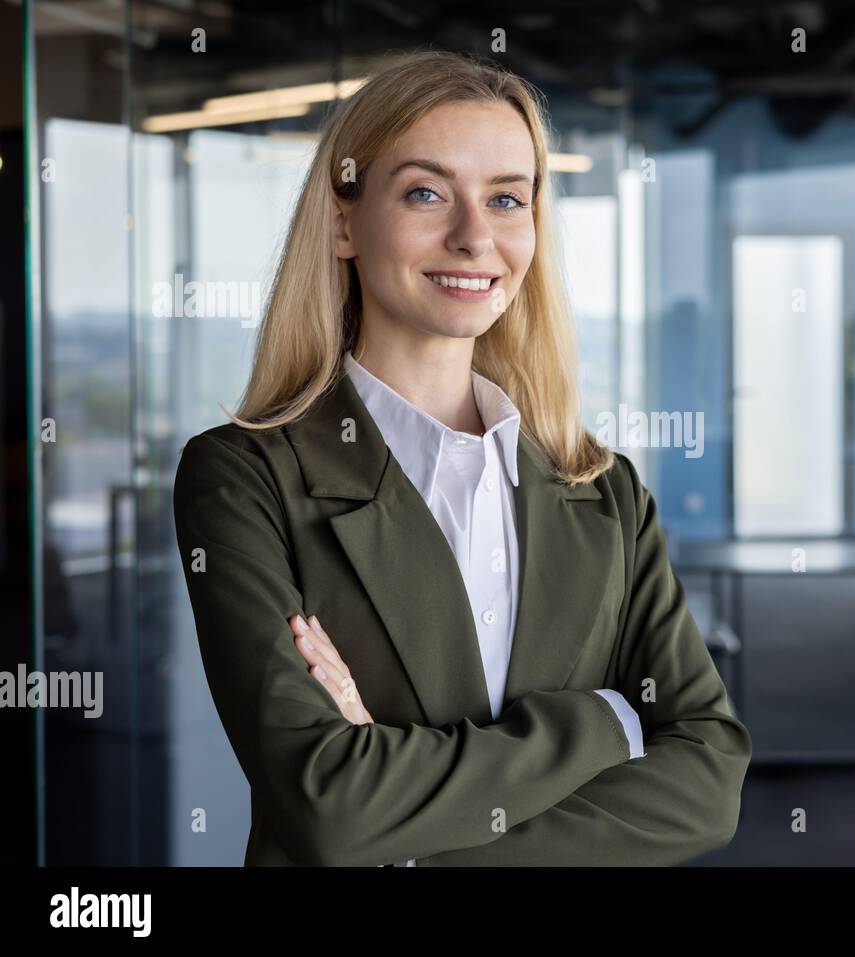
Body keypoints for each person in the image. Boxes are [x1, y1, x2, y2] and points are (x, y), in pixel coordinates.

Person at [172, 50, 751, 866]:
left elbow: (708, 778)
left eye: (507, 198)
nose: (475, 236)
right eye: (425, 193)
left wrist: (408, 832)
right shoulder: (245, 478)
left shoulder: (607, 491)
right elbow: (330, 805)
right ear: (343, 221)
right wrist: (612, 722)